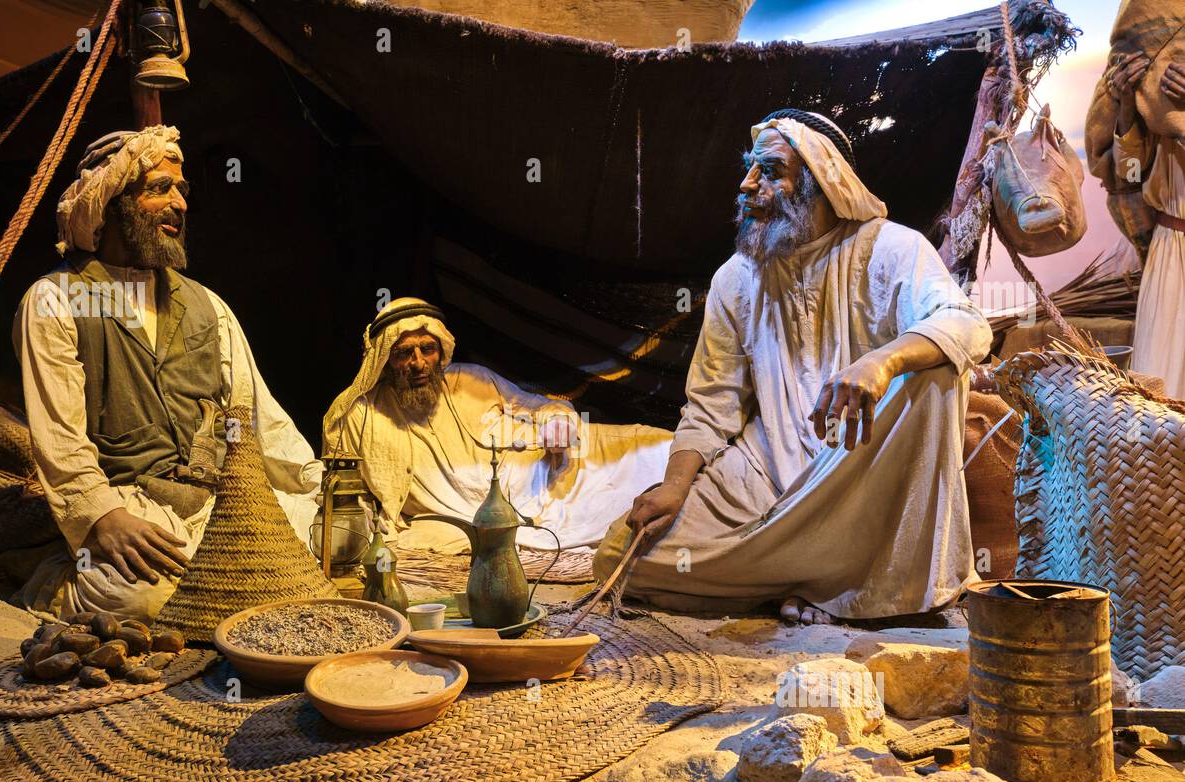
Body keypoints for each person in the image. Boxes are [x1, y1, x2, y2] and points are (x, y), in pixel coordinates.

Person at [593, 109, 992, 624]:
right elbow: (713, 404)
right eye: (749, 169)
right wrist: (674, 486)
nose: (747, 184)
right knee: (622, 558)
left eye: (769, 171)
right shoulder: (736, 277)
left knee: (938, 368)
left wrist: (882, 361)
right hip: (768, 472)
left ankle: (813, 581)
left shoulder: (891, 248)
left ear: (822, 183)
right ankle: (826, 584)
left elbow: (968, 325)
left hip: (863, 472)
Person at [14, 126, 322, 621]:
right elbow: (59, 438)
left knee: (329, 537)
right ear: (112, 200)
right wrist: (103, 516)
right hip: (135, 506)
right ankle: (54, 580)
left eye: (182, 191)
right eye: (160, 189)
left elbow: (257, 415)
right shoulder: (56, 301)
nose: (179, 204)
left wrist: (312, 483)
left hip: (217, 502)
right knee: (141, 597)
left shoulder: (206, 305)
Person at [322, 297, 673, 553]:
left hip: (562, 466)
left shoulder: (472, 380)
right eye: (404, 353)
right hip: (526, 506)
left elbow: (542, 407)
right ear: (384, 361)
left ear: (440, 353)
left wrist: (559, 423)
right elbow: (348, 491)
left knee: (657, 448)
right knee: (652, 496)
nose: (418, 363)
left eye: (427, 350)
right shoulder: (362, 415)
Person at [1089, 52, 1185, 397]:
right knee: (1162, 382)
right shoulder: (1165, 90)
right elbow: (1129, 173)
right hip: (1171, 255)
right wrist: (1129, 106)